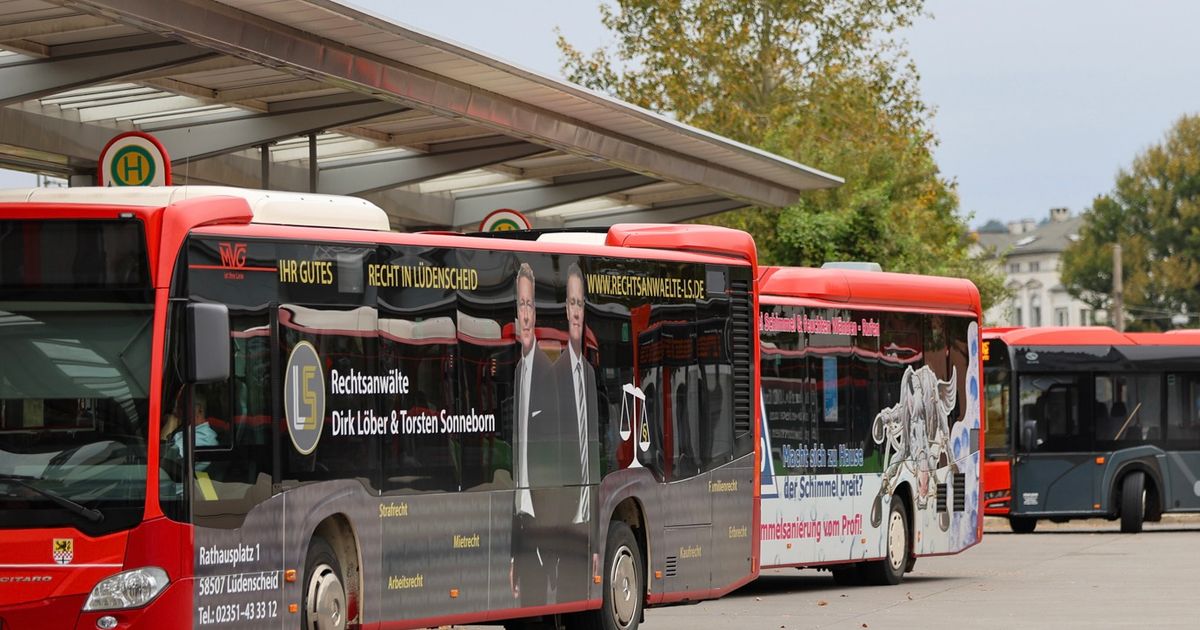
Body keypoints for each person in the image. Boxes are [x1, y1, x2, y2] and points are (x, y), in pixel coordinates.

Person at [510, 262, 560, 606]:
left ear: (535, 312)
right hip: (522, 513)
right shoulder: (517, 371)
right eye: (520, 305)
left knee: (540, 605)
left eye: (530, 306)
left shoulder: (547, 373)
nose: (525, 313)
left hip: (542, 516)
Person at [553, 262, 600, 601]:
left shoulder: (589, 374)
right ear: (565, 309)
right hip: (562, 508)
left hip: (586, 507)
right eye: (571, 303)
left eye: (581, 303)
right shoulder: (552, 375)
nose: (576, 311)